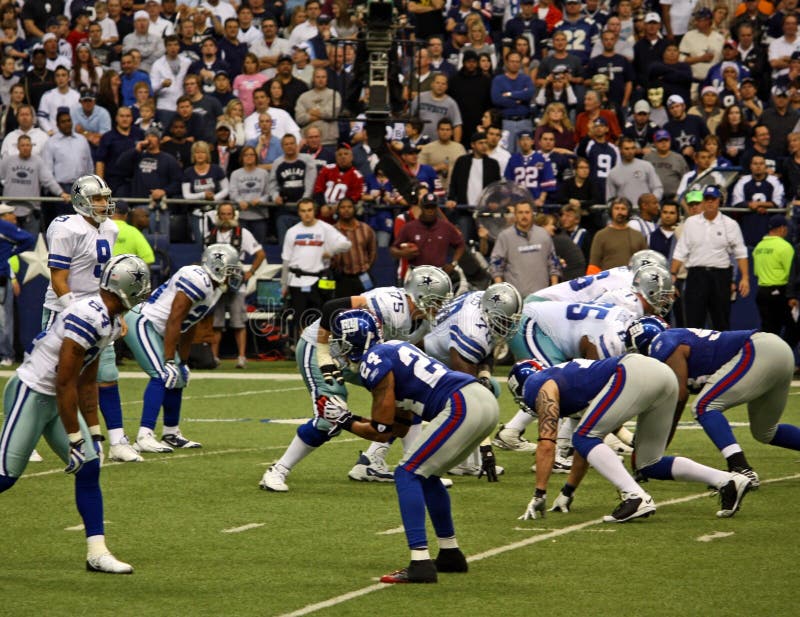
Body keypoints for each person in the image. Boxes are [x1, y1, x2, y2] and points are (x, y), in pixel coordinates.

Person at [0, 254, 150, 573]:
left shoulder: (108, 320)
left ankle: (97, 551)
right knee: (4, 478)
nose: (144, 291)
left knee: (89, 468)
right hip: (33, 391)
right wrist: (75, 439)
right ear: (124, 286)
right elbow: (64, 380)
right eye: (139, 285)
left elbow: (87, 378)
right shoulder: (89, 315)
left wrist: (93, 433)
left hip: (58, 397)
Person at [327, 309, 499, 583]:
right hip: (481, 402)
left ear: (353, 340)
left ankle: (420, 563)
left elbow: (381, 429)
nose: (338, 347)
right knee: (425, 474)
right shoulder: (393, 350)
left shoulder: (373, 360)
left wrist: (344, 420)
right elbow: (398, 428)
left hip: (460, 404)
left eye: (341, 340)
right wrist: (350, 420)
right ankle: (450, 554)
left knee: (406, 473)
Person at [260, 267, 453, 491]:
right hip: (322, 348)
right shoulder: (390, 304)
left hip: (363, 355)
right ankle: (278, 470)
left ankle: (403, 468)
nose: (439, 307)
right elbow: (331, 308)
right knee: (330, 415)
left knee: (408, 399)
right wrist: (323, 354)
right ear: (420, 296)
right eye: (437, 301)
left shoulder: (422, 320)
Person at [508, 354, 752, 523]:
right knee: (649, 463)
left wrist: (539, 494)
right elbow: (584, 446)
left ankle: (635, 497)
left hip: (632, 371)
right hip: (660, 374)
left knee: (585, 436)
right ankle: (728, 481)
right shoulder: (568, 381)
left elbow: (547, 445)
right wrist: (568, 491)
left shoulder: (536, 386)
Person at [626, 318, 800, 490]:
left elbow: (679, 398)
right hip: (778, 350)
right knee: (765, 432)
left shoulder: (661, 344)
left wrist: (655, 449)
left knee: (704, 406)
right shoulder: (674, 339)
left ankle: (741, 468)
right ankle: (740, 467)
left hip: (760, 350)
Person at [44, 175, 143, 464]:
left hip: (98, 311)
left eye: (104, 197)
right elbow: (58, 279)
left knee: (107, 377)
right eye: (97, 198)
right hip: (64, 311)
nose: (103, 203)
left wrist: (115, 313)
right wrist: (77, 314)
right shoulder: (66, 228)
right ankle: (31, 436)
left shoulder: (110, 228)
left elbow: (104, 278)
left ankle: (116, 440)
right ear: (80, 199)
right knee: (53, 381)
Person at [124, 244, 242, 453]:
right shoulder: (197, 279)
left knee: (177, 377)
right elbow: (174, 319)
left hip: (160, 329)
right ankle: (144, 435)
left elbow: (189, 324)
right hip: (144, 322)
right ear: (217, 266)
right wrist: (169, 360)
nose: (234, 274)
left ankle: (170, 433)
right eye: (231, 269)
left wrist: (183, 361)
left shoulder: (213, 288)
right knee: (162, 375)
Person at [670, 185, 749, 331]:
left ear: (719, 201)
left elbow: (740, 253)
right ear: (703, 202)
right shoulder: (691, 223)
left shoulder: (730, 224)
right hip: (696, 275)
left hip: (720, 276)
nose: (710, 202)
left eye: (713, 199)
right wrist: (673, 275)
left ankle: (722, 353)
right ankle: (695, 352)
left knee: (720, 321)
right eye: (707, 199)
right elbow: (680, 251)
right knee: (694, 321)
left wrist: (744, 278)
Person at [205, 203, 265, 368]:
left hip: (236, 284)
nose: (226, 217)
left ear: (234, 215)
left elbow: (260, 254)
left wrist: (250, 272)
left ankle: (241, 357)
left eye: (229, 214)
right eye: (223, 214)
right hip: (217, 284)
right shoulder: (211, 235)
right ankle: (214, 357)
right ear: (218, 216)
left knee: (238, 322)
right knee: (216, 323)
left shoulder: (243, 234)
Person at [281, 198, 351, 339]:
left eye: (309, 210)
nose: (306, 214)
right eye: (303, 211)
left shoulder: (325, 228)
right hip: (296, 281)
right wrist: (283, 285)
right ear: (299, 213)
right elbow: (286, 260)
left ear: (314, 211)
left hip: (318, 280)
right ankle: (301, 351)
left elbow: (346, 244)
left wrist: (331, 251)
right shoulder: (292, 232)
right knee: (300, 320)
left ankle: (317, 350)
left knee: (319, 318)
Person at [0, 134, 69, 235]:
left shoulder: (38, 161)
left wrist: (61, 193)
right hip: (9, 211)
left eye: (28, 145)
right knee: (8, 242)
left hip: (30, 211)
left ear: (32, 147)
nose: (25, 148)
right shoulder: (8, 160)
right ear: (18, 147)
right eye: (23, 145)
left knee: (30, 242)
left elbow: (48, 180)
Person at [490, 201, 559, 297]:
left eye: (527, 212)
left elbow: (553, 262)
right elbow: (496, 266)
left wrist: (554, 287)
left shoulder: (543, 234)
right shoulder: (505, 236)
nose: (524, 216)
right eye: (520, 212)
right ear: (515, 215)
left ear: (532, 214)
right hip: (515, 297)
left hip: (543, 295)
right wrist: (502, 291)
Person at [392, 194, 465, 276]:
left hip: (439, 273)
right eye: (427, 207)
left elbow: (460, 245)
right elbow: (393, 248)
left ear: (437, 208)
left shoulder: (446, 227)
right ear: (421, 208)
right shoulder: (410, 227)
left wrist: (453, 263)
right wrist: (403, 253)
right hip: (415, 272)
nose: (430, 210)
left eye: (433, 207)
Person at [0, 204, 35, 365]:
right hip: (2, 275)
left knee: (4, 319)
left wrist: (11, 251)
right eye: (10, 214)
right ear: (4, 216)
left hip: (3, 276)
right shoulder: (5, 226)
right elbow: (29, 239)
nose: (14, 218)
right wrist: (12, 250)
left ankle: (6, 354)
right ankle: (6, 354)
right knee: (4, 319)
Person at [752, 215, 795, 336]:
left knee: (768, 331)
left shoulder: (758, 247)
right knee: (792, 328)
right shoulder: (785, 247)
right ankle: (784, 352)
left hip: (762, 293)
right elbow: (791, 273)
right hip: (780, 293)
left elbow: (756, 272)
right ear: (782, 228)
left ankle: (769, 354)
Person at [329, 197, 376, 298]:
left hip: (363, 276)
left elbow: (372, 251)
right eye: (343, 207)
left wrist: (367, 267)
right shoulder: (331, 231)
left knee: (367, 306)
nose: (346, 209)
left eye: (349, 207)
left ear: (354, 209)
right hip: (342, 278)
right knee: (343, 309)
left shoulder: (366, 229)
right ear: (338, 210)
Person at [587, 198, 648, 273]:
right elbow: (594, 265)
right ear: (611, 211)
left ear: (629, 212)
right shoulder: (601, 235)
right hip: (608, 281)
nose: (620, 212)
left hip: (631, 280)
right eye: (616, 208)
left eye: (623, 209)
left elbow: (645, 263)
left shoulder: (638, 236)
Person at [504, 131, 556, 206]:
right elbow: (508, 182)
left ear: (532, 142)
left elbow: (548, 181)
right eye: (522, 140)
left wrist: (541, 199)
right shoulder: (513, 159)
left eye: (527, 139)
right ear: (518, 142)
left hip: (536, 200)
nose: (525, 142)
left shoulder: (542, 158)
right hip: (517, 201)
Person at [605, 137, 663, 204]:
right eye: (627, 149)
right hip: (625, 212)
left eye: (633, 148)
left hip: (645, 211)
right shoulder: (613, 173)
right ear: (620, 150)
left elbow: (657, 188)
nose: (630, 151)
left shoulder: (646, 166)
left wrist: (652, 201)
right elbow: (610, 199)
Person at [643, 130, 689, 202]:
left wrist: (680, 196)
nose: (664, 143)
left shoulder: (678, 158)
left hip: (674, 198)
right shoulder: (647, 158)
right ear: (655, 143)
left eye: (666, 140)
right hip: (652, 199)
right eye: (660, 141)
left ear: (670, 141)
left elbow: (686, 179)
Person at [110, 201, 155, 266]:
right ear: (126, 215)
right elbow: (149, 259)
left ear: (110, 213)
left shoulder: (99, 229)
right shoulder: (134, 232)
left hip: (101, 274)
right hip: (126, 274)